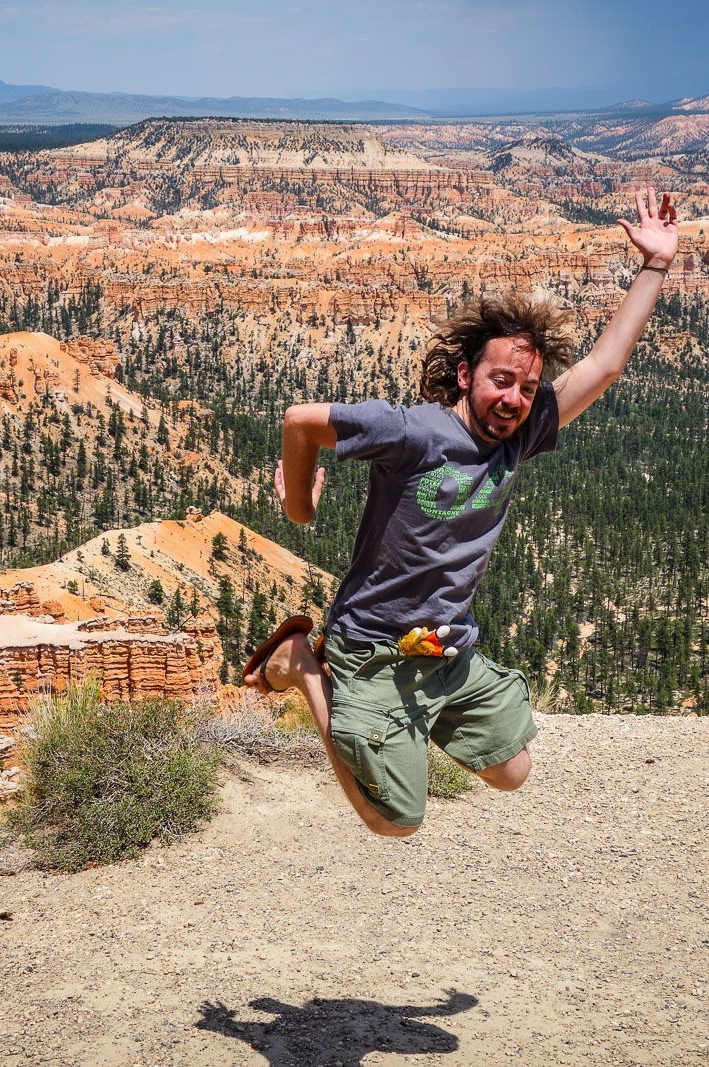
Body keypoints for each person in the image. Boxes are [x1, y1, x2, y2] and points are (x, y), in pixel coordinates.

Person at [244, 187, 679, 837]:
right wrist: (299, 507)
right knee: (394, 821)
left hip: (445, 651)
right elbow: (300, 420)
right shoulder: (413, 431)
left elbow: (606, 364)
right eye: (502, 379)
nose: (515, 398)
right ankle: (306, 663)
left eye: (528, 387)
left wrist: (656, 265)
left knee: (512, 769)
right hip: (372, 650)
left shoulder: (524, 431)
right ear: (465, 370)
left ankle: (411, 722)